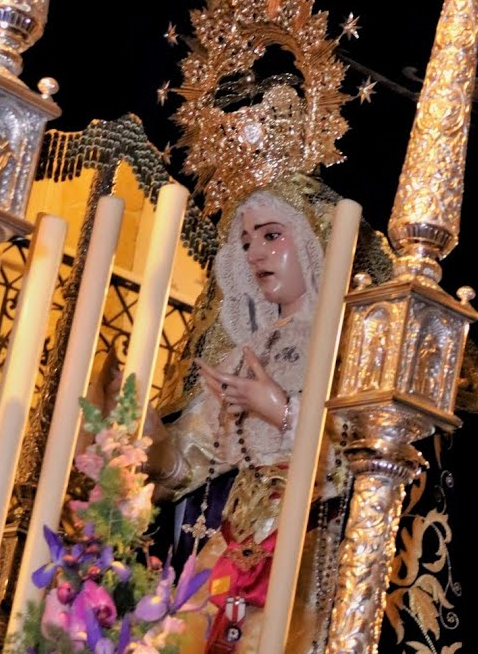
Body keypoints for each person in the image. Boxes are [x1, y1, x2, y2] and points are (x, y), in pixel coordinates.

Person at [145, 184, 353, 654]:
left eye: (271, 236)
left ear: (312, 241)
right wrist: (148, 444)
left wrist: (280, 411)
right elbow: (192, 460)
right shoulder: (247, 353)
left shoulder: (348, 347)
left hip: (307, 538)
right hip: (237, 536)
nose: (256, 253)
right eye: (246, 244)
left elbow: (357, 453)